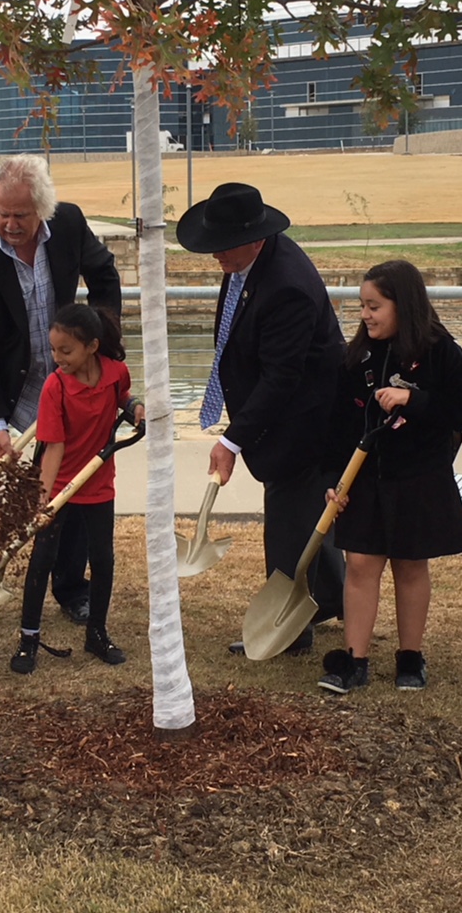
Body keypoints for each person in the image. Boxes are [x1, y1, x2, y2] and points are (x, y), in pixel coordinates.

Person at [0, 154, 121, 623]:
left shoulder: (69, 223)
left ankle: (69, 587)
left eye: (20, 214)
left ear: (41, 208)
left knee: (70, 489)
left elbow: (104, 276)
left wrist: (98, 345)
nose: (10, 224)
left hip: (62, 385)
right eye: (2, 213)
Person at [176, 182, 345, 656]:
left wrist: (232, 442)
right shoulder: (252, 260)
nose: (216, 257)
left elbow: (282, 378)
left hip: (306, 419)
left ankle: (291, 629)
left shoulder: (286, 286)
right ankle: (331, 597)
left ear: (256, 237)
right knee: (310, 510)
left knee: (289, 521)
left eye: (223, 247)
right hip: (288, 413)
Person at [317, 260, 462, 694]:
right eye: (362, 306)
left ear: (403, 305)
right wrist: (334, 478)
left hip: (419, 477)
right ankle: (355, 661)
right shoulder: (356, 357)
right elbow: (337, 425)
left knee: (409, 566)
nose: (366, 315)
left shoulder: (440, 351)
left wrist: (415, 399)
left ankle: (410, 657)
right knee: (361, 565)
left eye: (375, 306)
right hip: (364, 478)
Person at [10, 304, 145, 674]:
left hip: (98, 481)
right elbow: (53, 448)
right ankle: (28, 639)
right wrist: (44, 502)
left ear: (92, 346)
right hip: (60, 484)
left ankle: (97, 633)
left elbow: (121, 395)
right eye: (53, 350)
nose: (57, 358)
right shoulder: (55, 386)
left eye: (65, 351)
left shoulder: (116, 372)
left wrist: (134, 407)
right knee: (43, 559)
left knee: (102, 560)